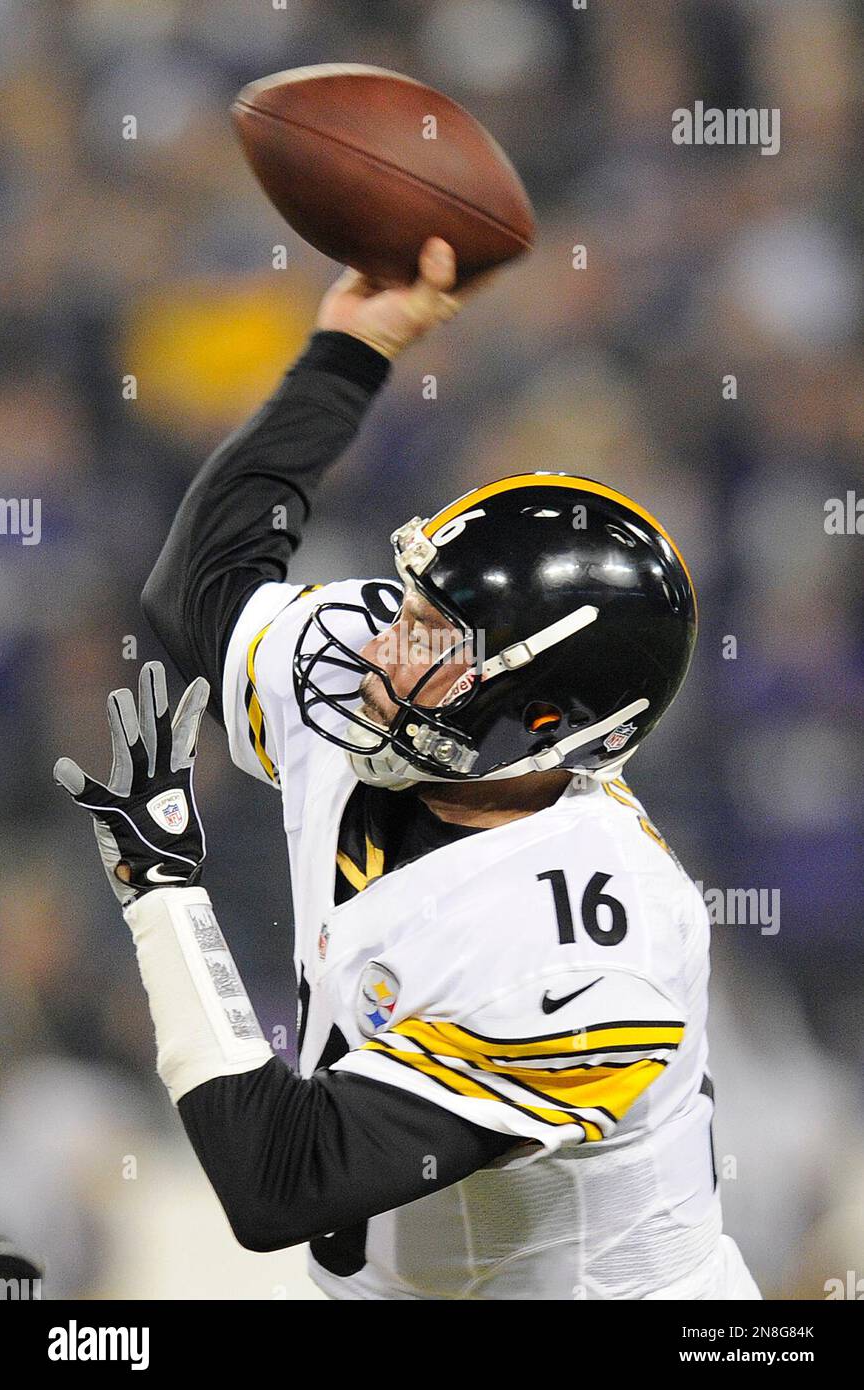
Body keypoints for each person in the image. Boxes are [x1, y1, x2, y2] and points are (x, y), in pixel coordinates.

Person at [55, 239, 760, 1299]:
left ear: (544, 719)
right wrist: (351, 349)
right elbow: (200, 589)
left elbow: (277, 1181)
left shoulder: (588, 951)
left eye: (437, 637)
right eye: (415, 604)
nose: (383, 645)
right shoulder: (400, 694)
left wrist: (164, 900)